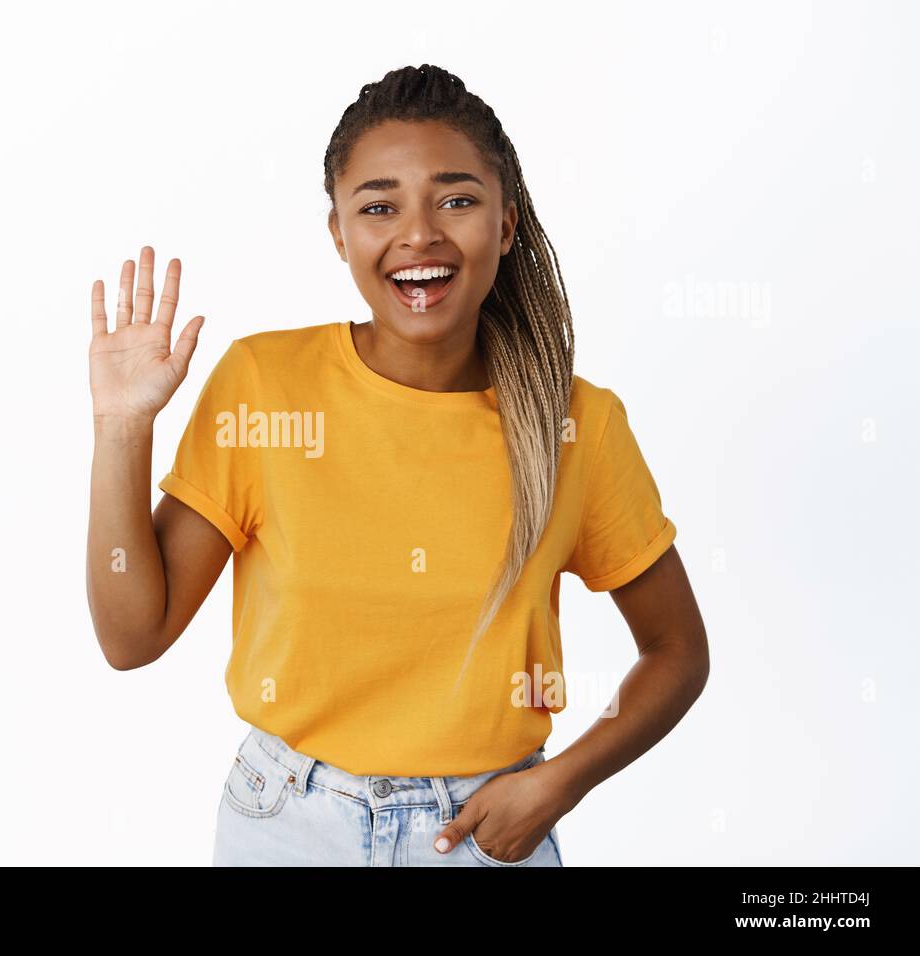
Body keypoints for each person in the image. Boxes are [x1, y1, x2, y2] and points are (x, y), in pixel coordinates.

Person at [85, 64, 708, 867]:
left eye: (456, 199)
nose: (419, 233)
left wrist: (559, 785)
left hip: (486, 834)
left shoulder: (577, 424)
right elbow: (132, 637)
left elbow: (677, 650)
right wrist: (121, 426)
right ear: (340, 234)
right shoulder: (265, 385)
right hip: (288, 828)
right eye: (379, 206)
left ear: (508, 223)